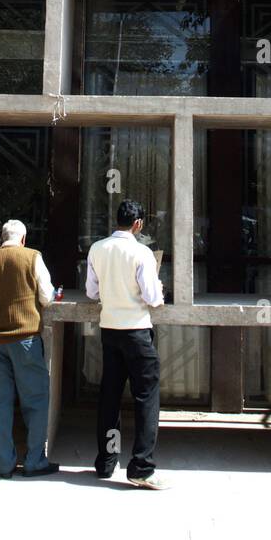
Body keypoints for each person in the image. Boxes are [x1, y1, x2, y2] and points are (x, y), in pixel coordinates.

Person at [86, 199, 167, 489]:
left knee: (110, 395)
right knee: (146, 397)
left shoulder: (97, 248)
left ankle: (106, 462)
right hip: (136, 331)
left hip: (109, 329)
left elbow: (91, 290)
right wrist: (159, 291)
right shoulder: (142, 252)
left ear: (116, 221)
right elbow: (152, 297)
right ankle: (141, 467)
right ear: (138, 224)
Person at [0, 219, 59, 479]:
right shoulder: (32, 257)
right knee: (35, 399)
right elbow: (46, 296)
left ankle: (3, 464)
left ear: (2, 238)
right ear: (23, 239)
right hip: (25, 338)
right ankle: (34, 460)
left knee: (0, 401)